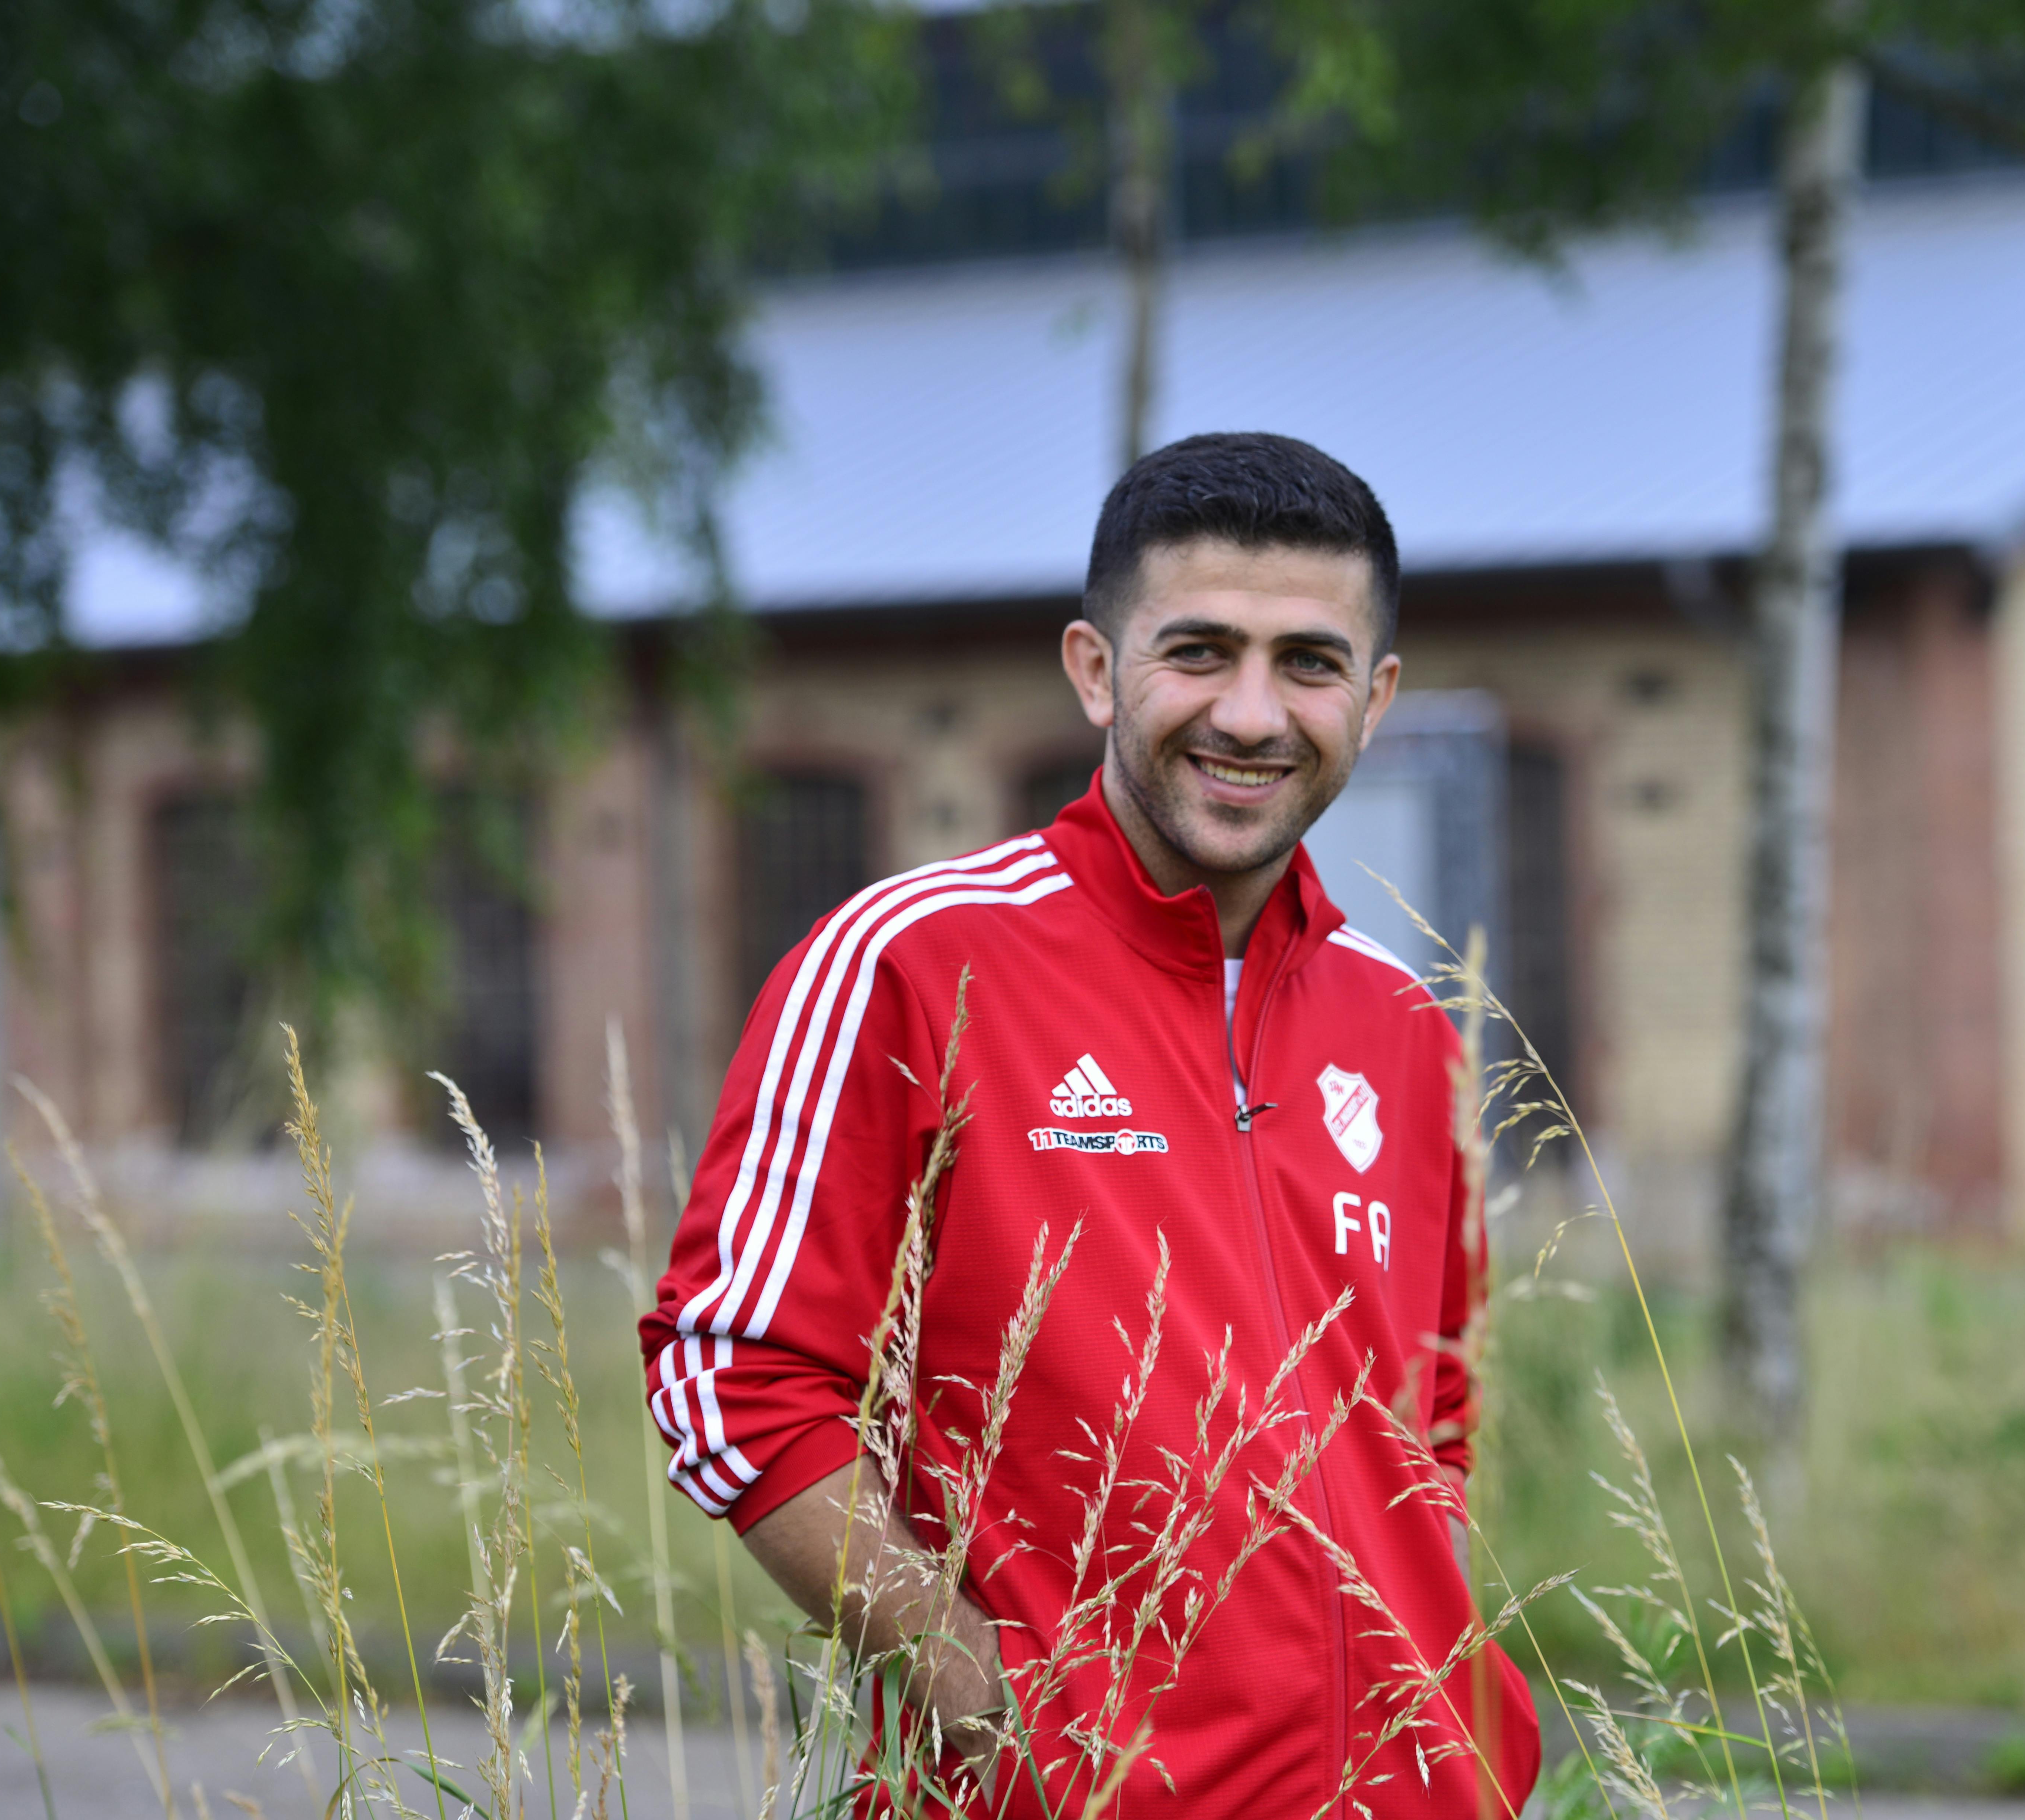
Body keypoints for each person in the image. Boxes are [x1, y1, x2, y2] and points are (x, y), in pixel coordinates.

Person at [641, 432, 1539, 1816]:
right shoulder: (913, 964)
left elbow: (1435, 1423)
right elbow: (731, 1374)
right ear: (1095, 669)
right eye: (1199, 652)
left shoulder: (1404, 1026)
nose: (1252, 713)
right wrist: (979, 1698)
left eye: (1310, 662)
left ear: (1377, 698)